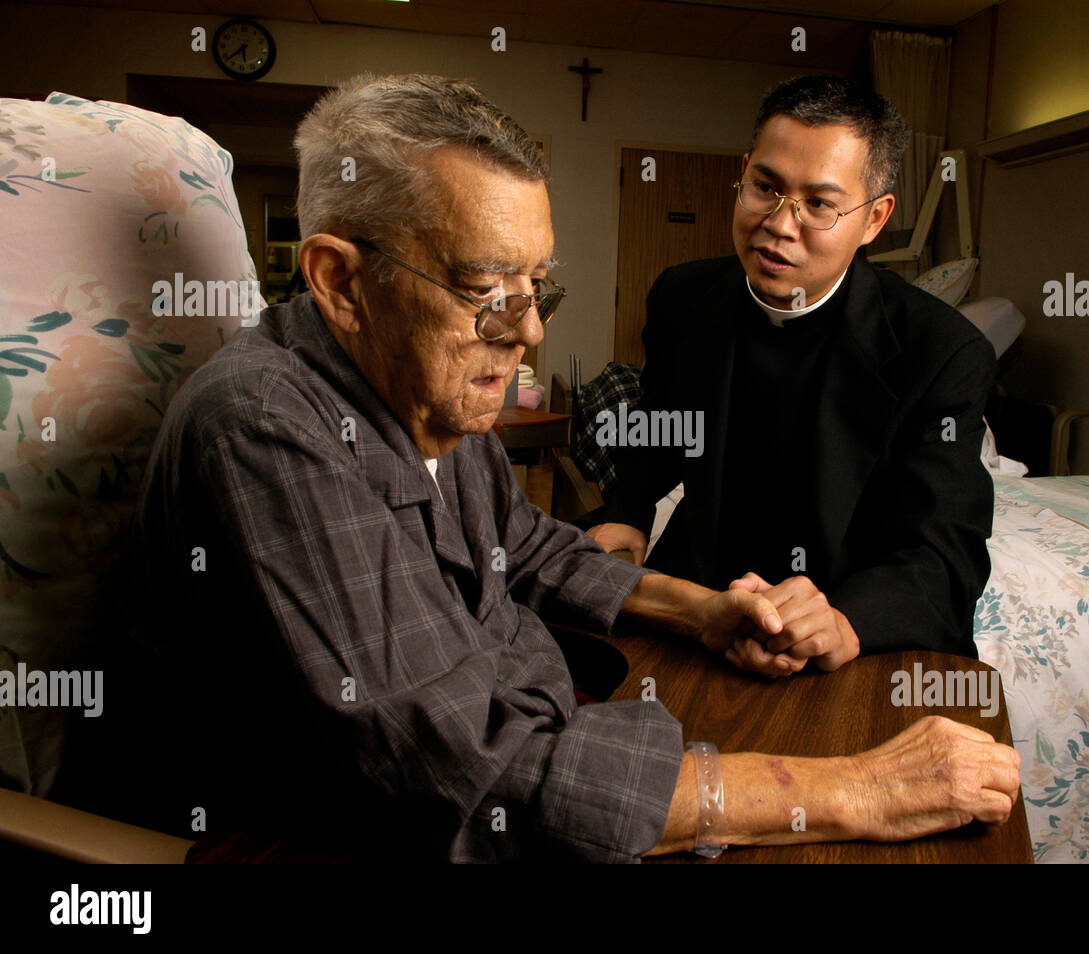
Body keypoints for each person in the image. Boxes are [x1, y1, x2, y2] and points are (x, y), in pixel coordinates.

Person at [130, 74, 1019, 862]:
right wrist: (850, 792)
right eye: (487, 292)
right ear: (340, 281)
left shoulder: (423, 370)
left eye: (537, 286)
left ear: (874, 219)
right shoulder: (262, 425)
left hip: (545, 731)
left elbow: (526, 545)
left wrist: (701, 609)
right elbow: (473, 773)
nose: (529, 334)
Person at [588, 75, 996, 671]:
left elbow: (945, 555)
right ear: (745, 171)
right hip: (698, 597)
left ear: (875, 219)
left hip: (843, 620)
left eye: (820, 205)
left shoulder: (941, 350)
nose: (780, 224)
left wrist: (845, 621)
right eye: (765, 187)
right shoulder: (684, 296)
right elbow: (660, 429)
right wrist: (626, 508)